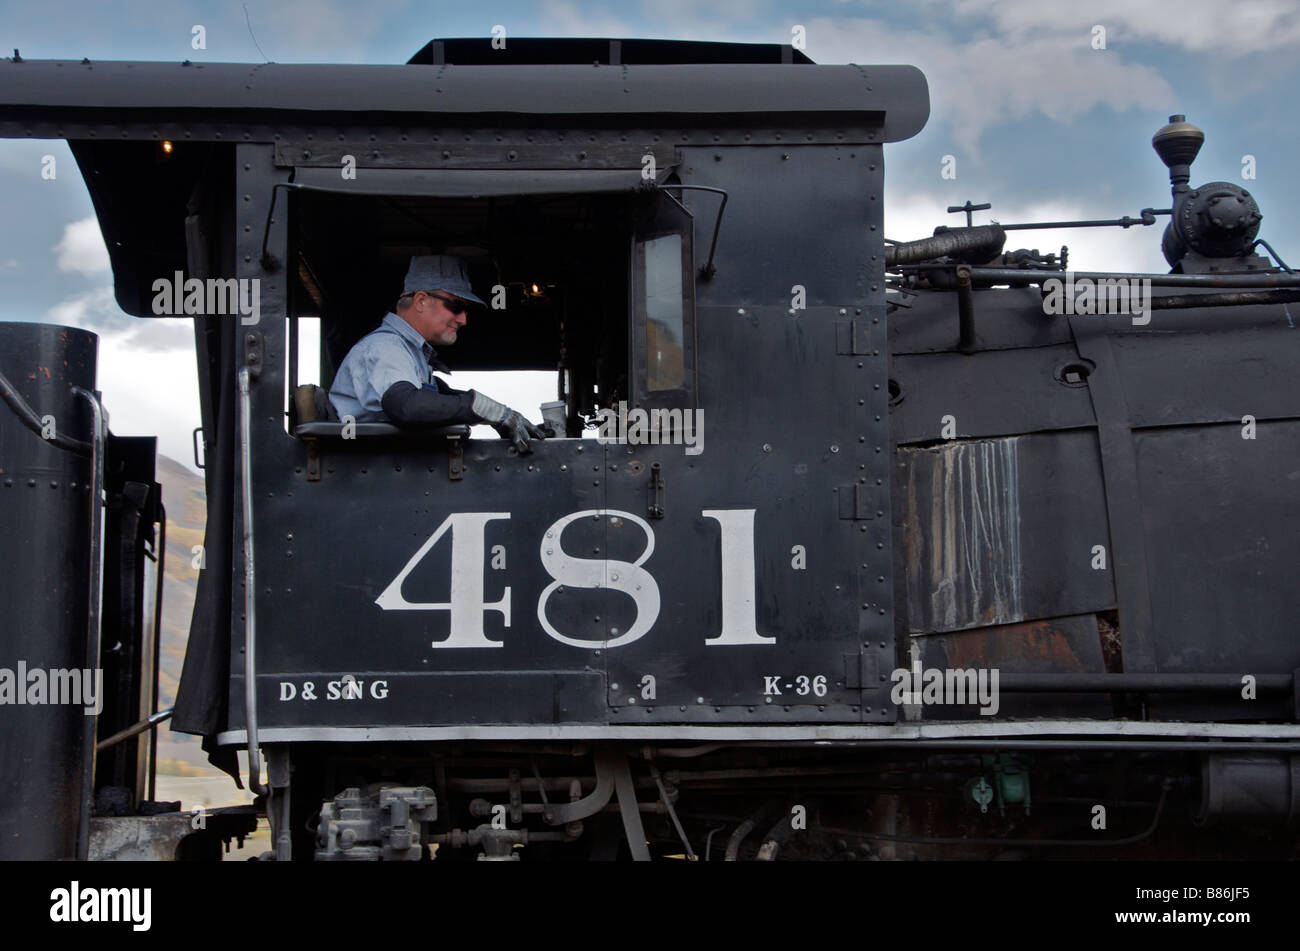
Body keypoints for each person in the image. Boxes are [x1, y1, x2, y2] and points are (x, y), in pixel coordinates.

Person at [328, 255, 545, 452]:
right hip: (369, 475)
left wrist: (500, 416)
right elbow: (406, 406)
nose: (463, 320)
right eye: (456, 306)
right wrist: (483, 409)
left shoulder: (410, 355)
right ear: (421, 301)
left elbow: (440, 399)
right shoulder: (385, 347)